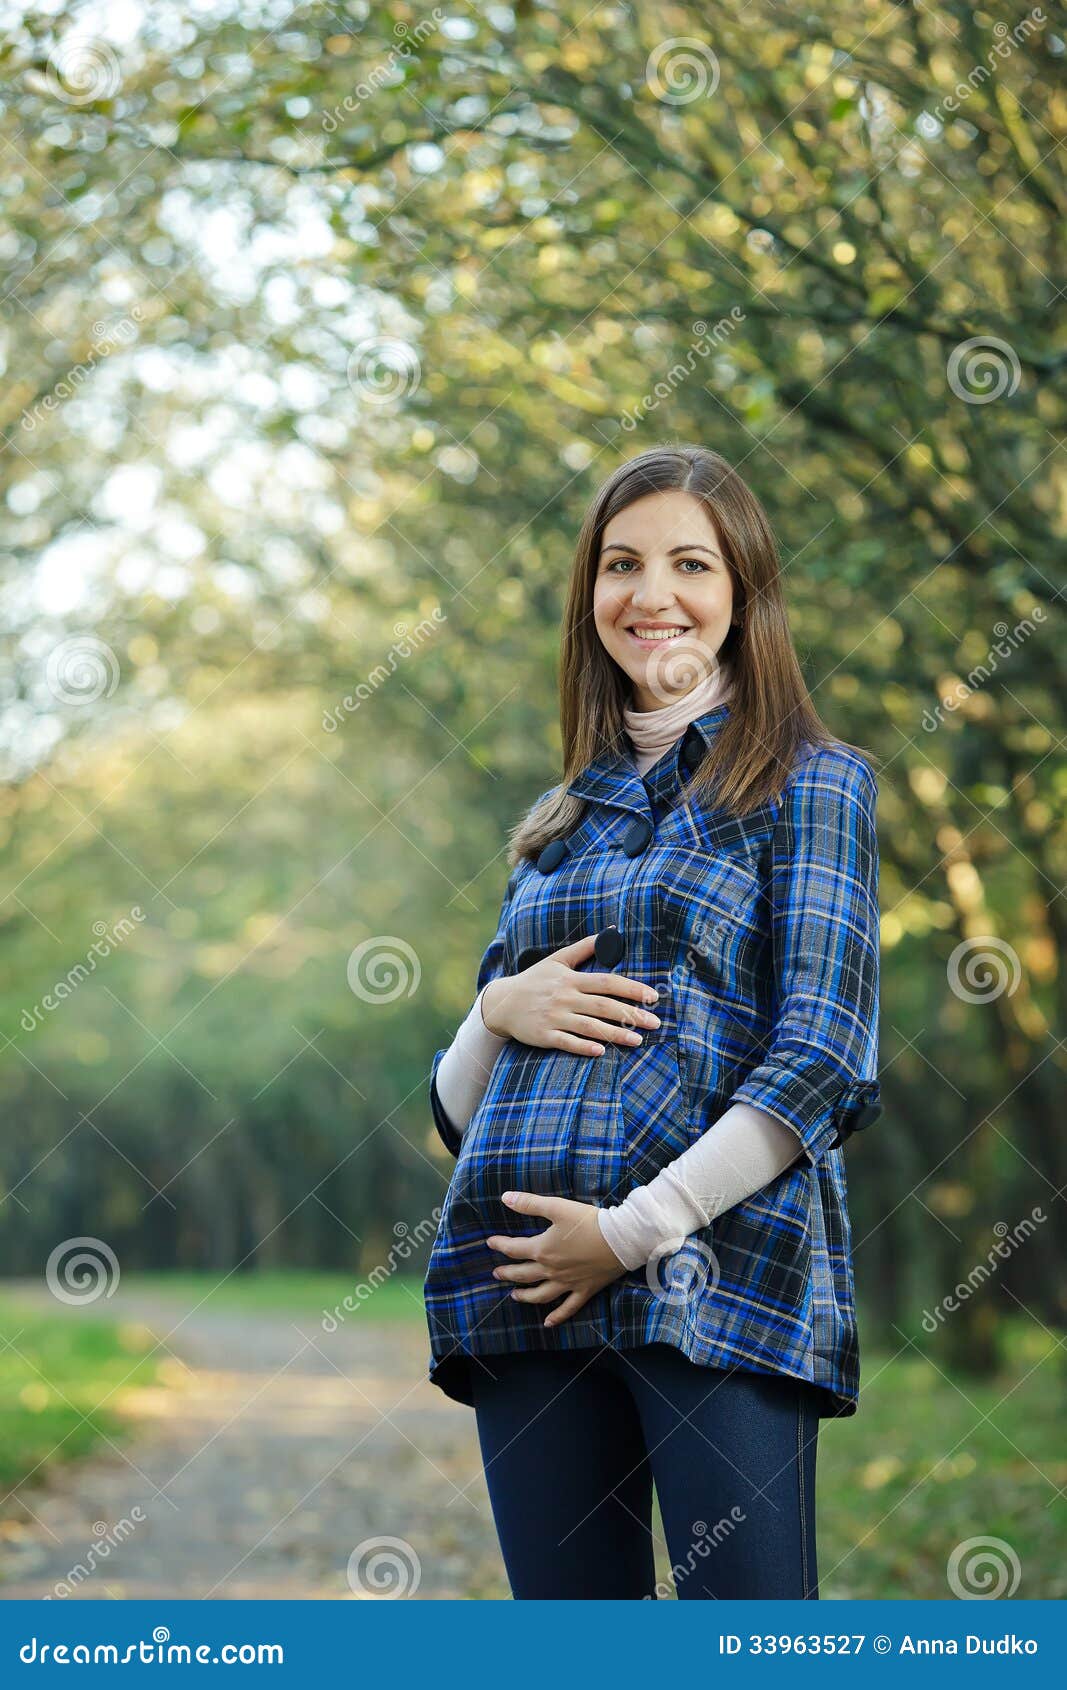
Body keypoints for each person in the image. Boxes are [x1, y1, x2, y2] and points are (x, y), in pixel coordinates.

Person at [422, 444, 882, 1600]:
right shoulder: (557, 817)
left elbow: (822, 1057)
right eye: (620, 564)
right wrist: (493, 1009)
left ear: (742, 594)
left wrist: (632, 1232)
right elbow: (453, 1111)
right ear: (589, 597)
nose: (651, 594)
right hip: (522, 1284)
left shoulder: (811, 782)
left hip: (719, 1271)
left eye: (690, 562)